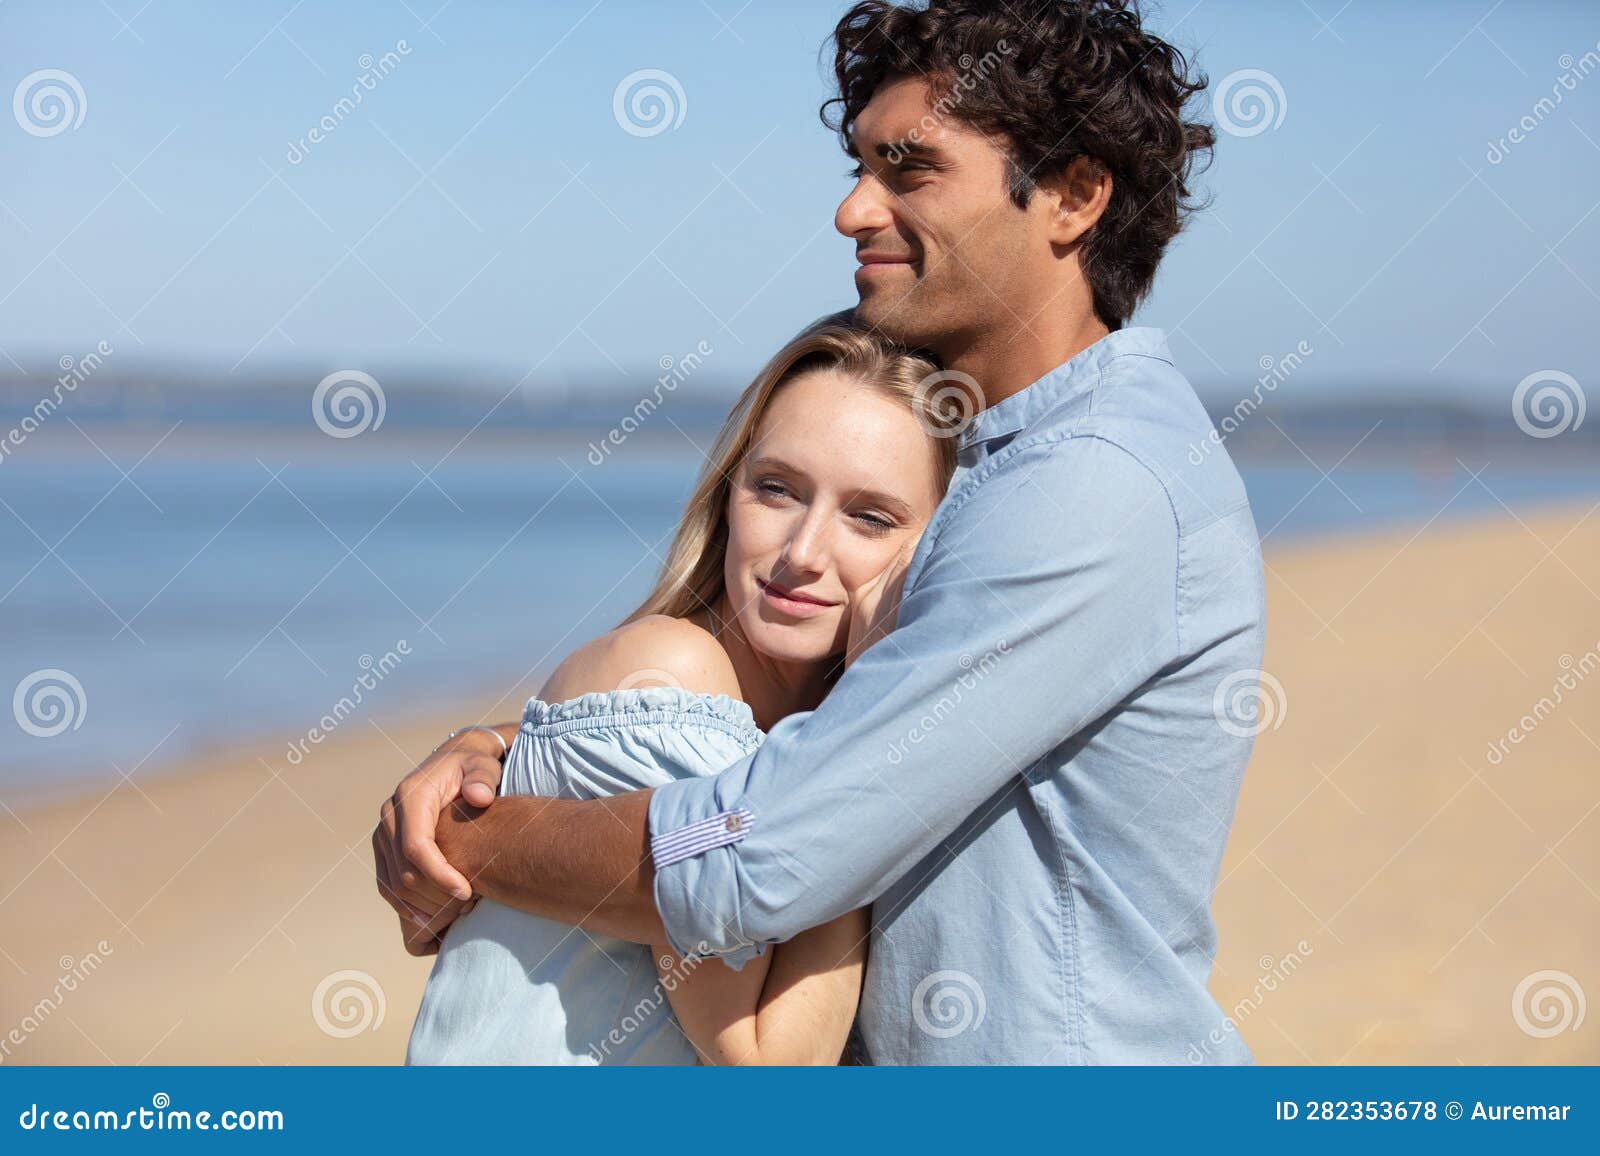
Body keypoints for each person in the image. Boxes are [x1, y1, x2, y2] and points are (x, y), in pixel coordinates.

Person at [375, 0, 1265, 1064]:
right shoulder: (999, 468)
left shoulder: (1089, 485)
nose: (851, 211)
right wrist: (529, 748)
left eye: (909, 169)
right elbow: (841, 739)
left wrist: (483, 831)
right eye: (859, 167)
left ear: (1072, 197)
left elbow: (766, 846)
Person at [403, 322, 956, 1064]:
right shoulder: (672, 673)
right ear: (728, 498)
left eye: (869, 517)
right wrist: (867, 722)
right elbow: (768, 1069)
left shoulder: (768, 724)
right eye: (777, 490)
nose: (802, 552)